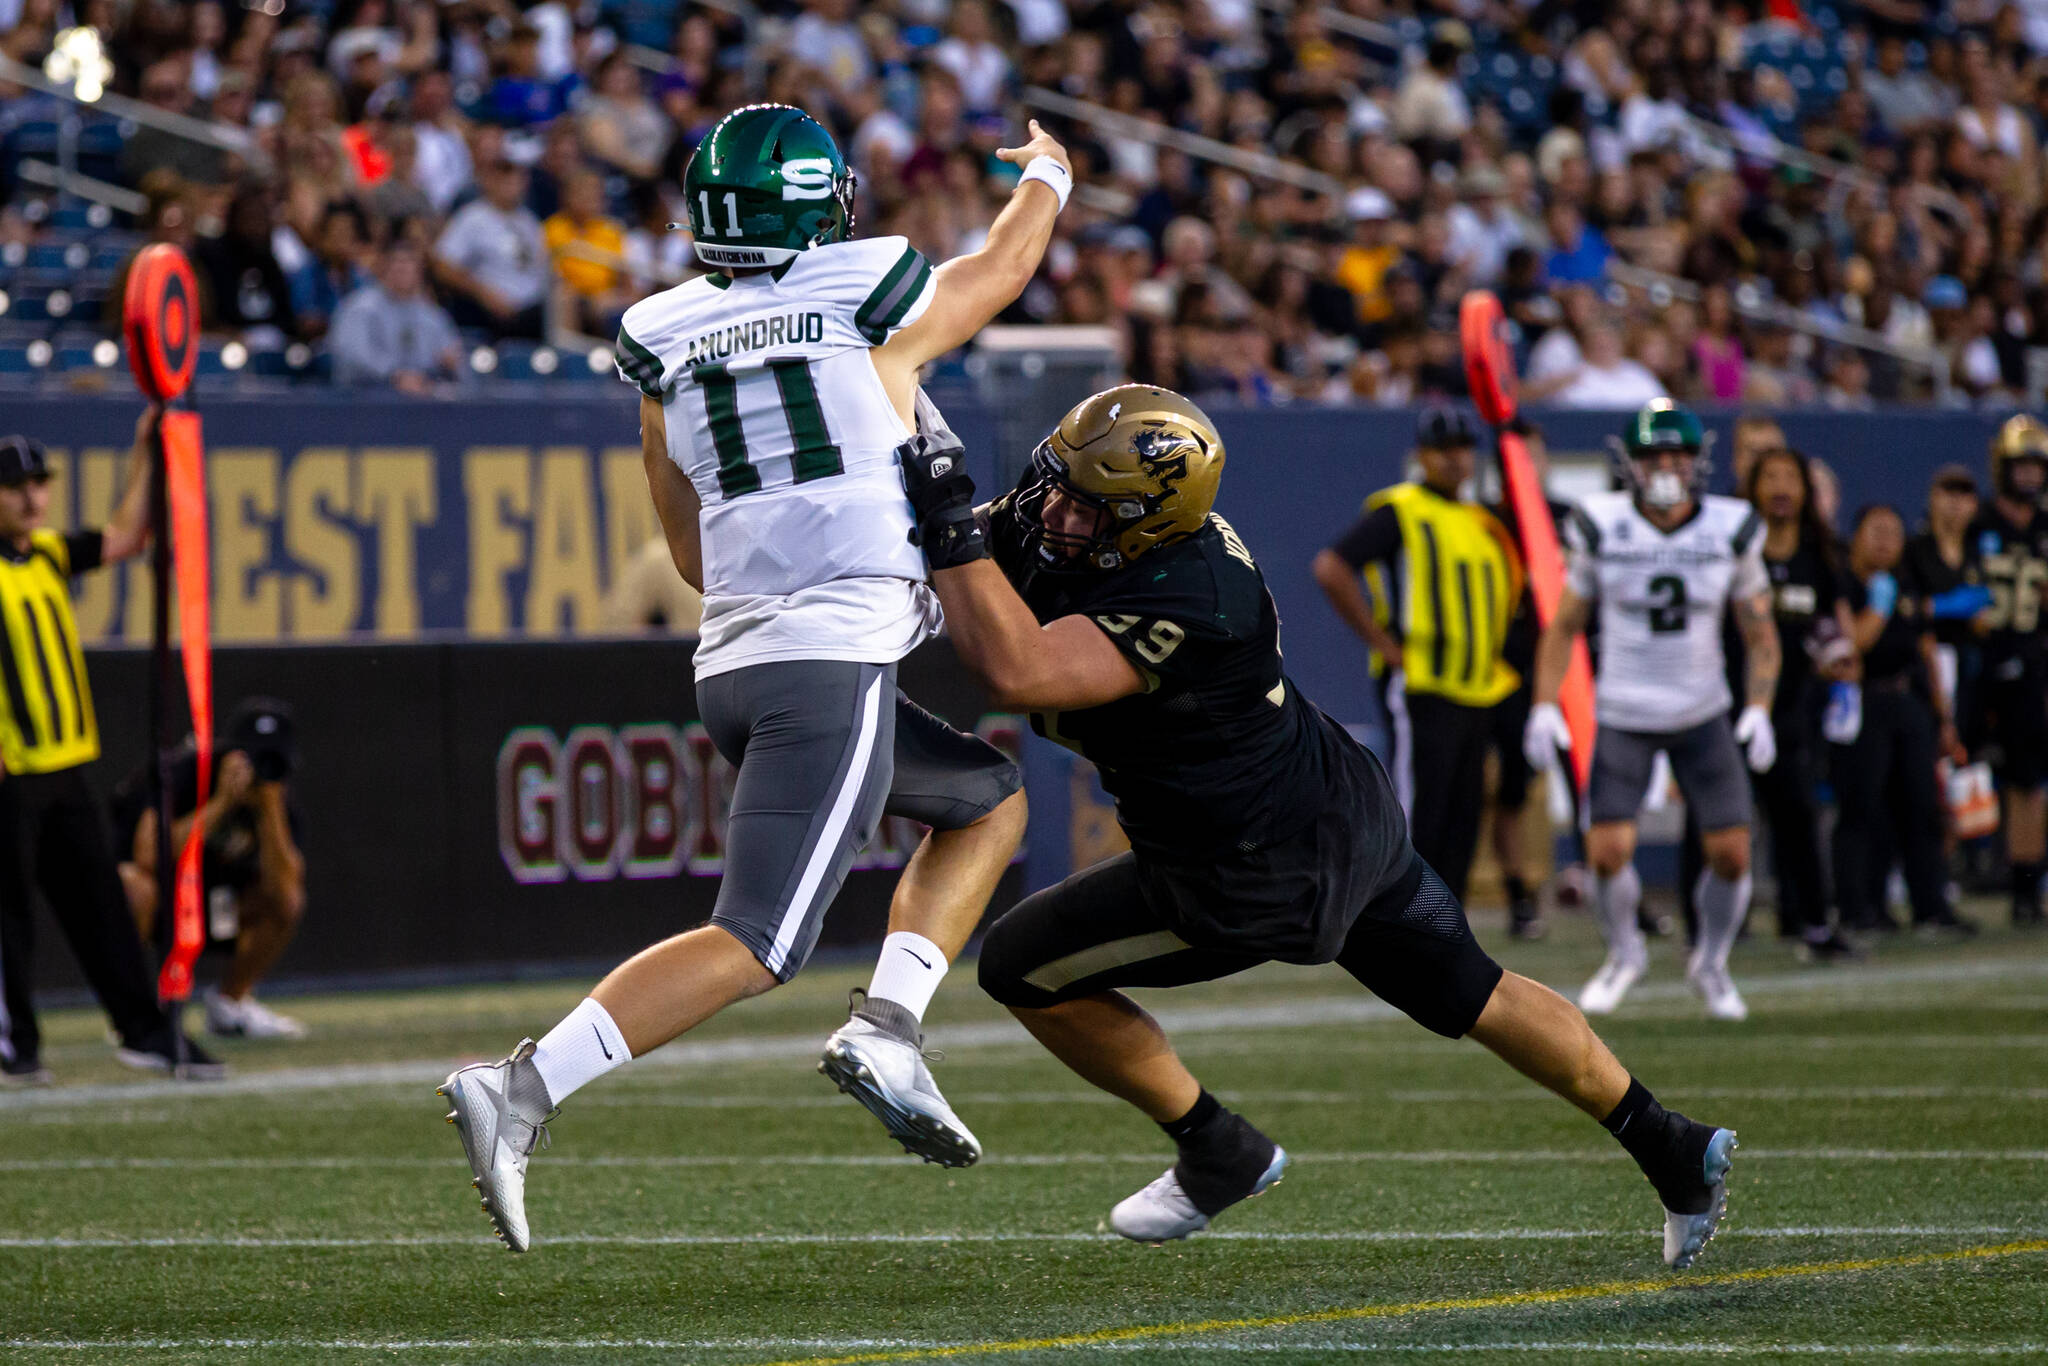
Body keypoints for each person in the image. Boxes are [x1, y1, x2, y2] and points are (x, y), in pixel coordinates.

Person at [893, 385, 1737, 1270]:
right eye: (1052, 482)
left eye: (1085, 504)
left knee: (1019, 965)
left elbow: (1017, 671)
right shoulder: (1083, 521)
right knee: (1477, 990)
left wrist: (949, 524)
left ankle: (1218, 1146)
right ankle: (1674, 1147)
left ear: (1150, 521)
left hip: (1248, 867)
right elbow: (972, 547)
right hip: (1335, 802)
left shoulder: (1194, 589)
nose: (1053, 511)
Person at [438, 107, 1070, 1253]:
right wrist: (1049, 178)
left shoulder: (660, 332)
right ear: (813, 207)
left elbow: (684, 546)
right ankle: (521, 1089)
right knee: (758, 941)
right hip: (826, 660)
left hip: (735, 661)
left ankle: (888, 1024)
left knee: (985, 799)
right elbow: (1006, 265)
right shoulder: (862, 287)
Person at [1526, 401, 1782, 1021]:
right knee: (1607, 852)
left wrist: (1758, 705)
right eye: (1652, 456)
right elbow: (1564, 625)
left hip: (1703, 709)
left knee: (1732, 854)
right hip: (1625, 709)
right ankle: (1624, 953)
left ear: (1698, 460)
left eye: (1676, 454)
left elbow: (1761, 633)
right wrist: (1543, 705)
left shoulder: (1731, 525)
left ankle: (1712, 962)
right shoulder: (1602, 523)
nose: (1665, 465)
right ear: (1630, 464)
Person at [0, 422, 224, 1084]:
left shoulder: (44, 554)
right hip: (12, 771)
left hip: (65, 765)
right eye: (16, 489)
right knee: (9, 922)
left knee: (102, 907)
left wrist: (147, 449)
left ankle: (145, 1029)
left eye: (38, 486)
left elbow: (127, 536)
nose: (33, 499)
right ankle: (18, 1043)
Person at [1311, 406, 1524, 906]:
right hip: (1422, 683)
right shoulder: (1400, 509)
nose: (1455, 460)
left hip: (1478, 687)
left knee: (1462, 814)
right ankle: (1397, 914)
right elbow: (1332, 568)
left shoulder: (1480, 519)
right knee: (1419, 809)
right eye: (1442, 450)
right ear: (1423, 456)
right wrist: (1383, 644)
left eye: (1462, 449)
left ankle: (1444, 918)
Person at [115, 698, 310, 1039]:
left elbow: (286, 891)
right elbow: (148, 857)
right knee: (133, 886)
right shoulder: (181, 774)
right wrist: (220, 804)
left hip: (219, 909)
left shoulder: (275, 797)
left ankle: (229, 1004)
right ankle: (133, 1013)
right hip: (167, 906)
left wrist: (270, 811)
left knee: (286, 901)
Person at [1831, 505, 1972, 936]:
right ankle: (1860, 907)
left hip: (1908, 701)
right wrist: (1877, 604)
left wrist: (1942, 716)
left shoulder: (1907, 583)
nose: (1885, 541)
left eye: (1894, 532)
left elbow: (1926, 649)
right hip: (1862, 703)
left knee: (1921, 806)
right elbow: (1855, 644)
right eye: (1876, 531)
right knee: (1863, 808)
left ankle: (1930, 904)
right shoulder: (1845, 583)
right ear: (1856, 537)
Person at [1744, 448, 1861, 962]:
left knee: (1799, 816)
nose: (1781, 487)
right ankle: (1705, 931)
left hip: (1794, 708)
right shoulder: (1737, 548)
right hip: (1734, 703)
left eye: (1791, 477)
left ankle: (1814, 923)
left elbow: (1836, 627)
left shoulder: (1819, 553)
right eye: (1771, 477)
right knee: (1718, 821)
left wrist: (1836, 651)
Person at [1967, 416, 2048, 927]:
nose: (2028, 477)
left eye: (2035, 467)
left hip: (2029, 659)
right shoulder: (1979, 523)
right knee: (1957, 766)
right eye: (2020, 466)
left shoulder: (2043, 526)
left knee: (2026, 780)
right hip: (1977, 659)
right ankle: (1951, 874)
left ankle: (2024, 888)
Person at [432, 157, 552, 339]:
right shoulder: (473, 218)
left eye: (516, 179)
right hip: (494, 311)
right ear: (489, 182)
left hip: (535, 307)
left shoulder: (529, 221)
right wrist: (483, 293)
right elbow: (442, 265)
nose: (512, 186)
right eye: (505, 180)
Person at [328, 241, 466, 392]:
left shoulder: (431, 314)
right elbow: (353, 355)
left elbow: (451, 352)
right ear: (382, 269)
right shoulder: (360, 307)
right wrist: (395, 375)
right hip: (366, 393)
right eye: (398, 265)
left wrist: (448, 362)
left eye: (409, 265)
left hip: (422, 391)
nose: (403, 270)